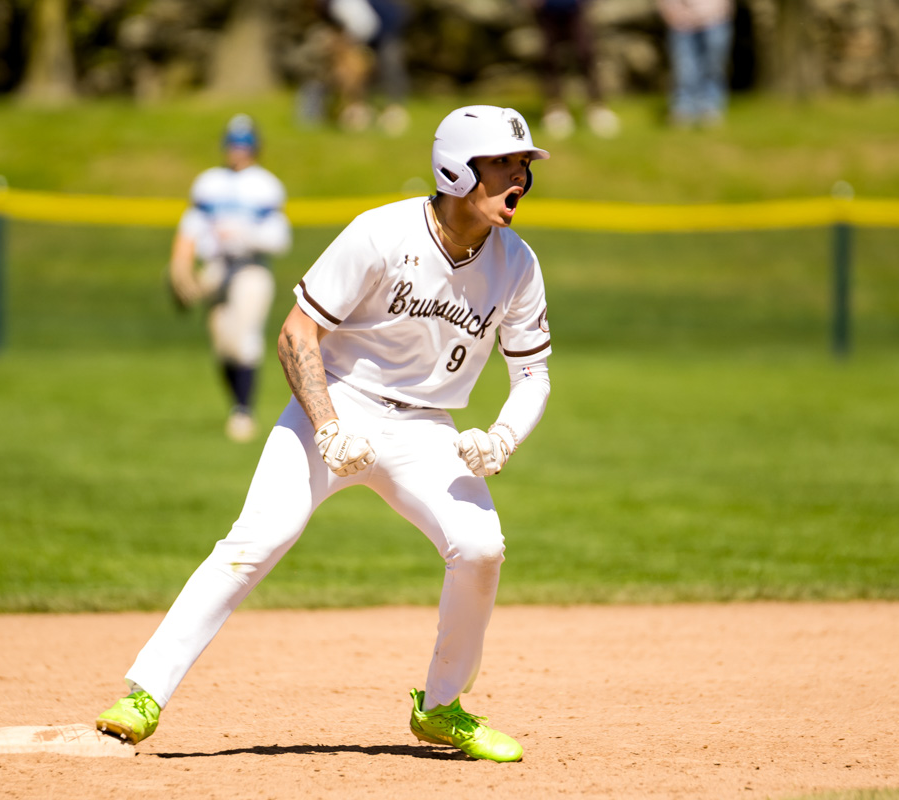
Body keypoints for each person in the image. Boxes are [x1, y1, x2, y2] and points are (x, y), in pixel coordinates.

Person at [96, 105, 554, 763]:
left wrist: (503, 436)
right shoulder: (380, 233)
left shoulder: (517, 264)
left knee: (480, 547)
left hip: (427, 428)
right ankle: (144, 694)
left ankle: (443, 707)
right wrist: (329, 427)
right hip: (336, 405)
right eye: (505, 164)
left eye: (524, 168)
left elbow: (532, 375)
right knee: (257, 539)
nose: (519, 179)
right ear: (457, 169)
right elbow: (295, 334)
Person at [168, 114, 293, 442]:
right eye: (234, 144)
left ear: (255, 147)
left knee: (244, 336)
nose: (239, 150)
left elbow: (280, 237)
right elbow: (191, 225)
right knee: (222, 342)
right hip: (216, 268)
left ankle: (244, 411)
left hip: (250, 268)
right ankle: (236, 406)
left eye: (245, 144)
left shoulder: (265, 184)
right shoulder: (209, 181)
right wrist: (180, 262)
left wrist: (243, 235)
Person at [526, 0, 620, 139]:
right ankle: (555, 109)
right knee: (549, 59)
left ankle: (597, 108)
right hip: (546, 9)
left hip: (576, 7)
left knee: (586, 55)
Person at [658, 0, 735, 128]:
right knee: (684, 69)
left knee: (714, 67)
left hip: (715, 18)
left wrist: (723, 10)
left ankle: (710, 108)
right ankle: (684, 108)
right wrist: (668, 10)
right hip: (680, 20)